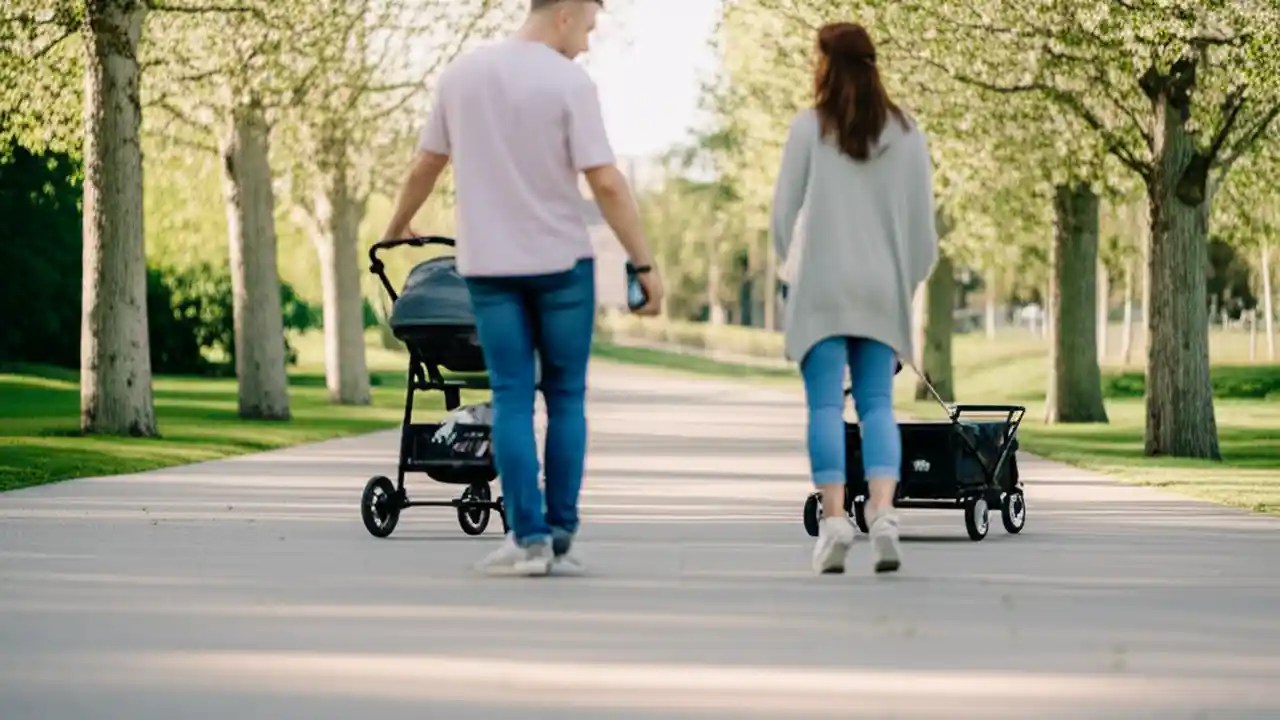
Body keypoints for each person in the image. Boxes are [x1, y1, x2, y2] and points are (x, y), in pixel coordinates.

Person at [381, 0, 664, 577]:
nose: (587, 42)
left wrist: (394, 228)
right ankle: (559, 533)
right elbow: (606, 181)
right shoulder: (570, 83)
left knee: (512, 397)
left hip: (490, 268)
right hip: (563, 266)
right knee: (564, 399)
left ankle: (527, 537)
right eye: (588, 26)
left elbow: (424, 166)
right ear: (565, 12)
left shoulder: (461, 77)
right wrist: (643, 263)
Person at [771, 22, 939, 575]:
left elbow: (782, 216)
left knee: (824, 406)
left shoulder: (807, 129)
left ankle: (837, 519)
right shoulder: (908, 133)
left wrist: (789, 272)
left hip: (822, 285)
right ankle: (884, 514)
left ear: (825, 65)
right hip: (879, 287)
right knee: (877, 405)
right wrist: (906, 282)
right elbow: (923, 234)